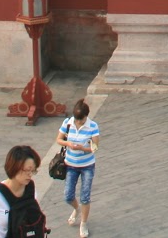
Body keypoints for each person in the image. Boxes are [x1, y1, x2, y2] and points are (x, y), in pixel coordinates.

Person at [56, 99, 99, 237]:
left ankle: (83, 223)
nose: (79, 122)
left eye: (81, 119)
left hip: (87, 166)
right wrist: (68, 144)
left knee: (85, 196)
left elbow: (95, 147)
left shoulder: (93, 126)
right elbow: (58, 139)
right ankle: (77, 209)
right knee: (68, 195)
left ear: (86, 116)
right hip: (71, 164)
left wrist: (83, 148)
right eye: (77, 119)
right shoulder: (68, 123)